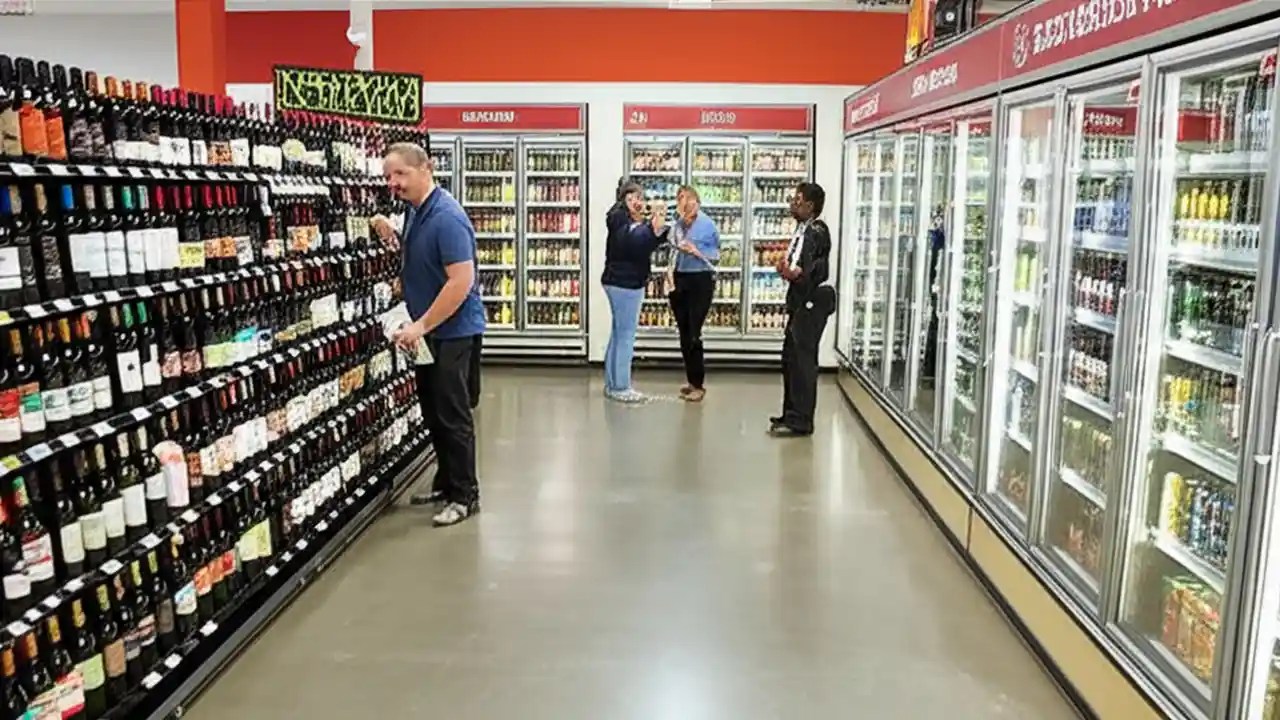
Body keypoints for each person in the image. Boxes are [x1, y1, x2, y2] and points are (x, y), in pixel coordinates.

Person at [371, 142, 485, 526]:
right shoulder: (416, 211)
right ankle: (445, 481)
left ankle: (466, 495)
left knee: (452, 414)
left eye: (400, 174)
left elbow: (461, 280)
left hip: (450, 332)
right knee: (433, 411)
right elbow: (425, 257)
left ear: (426, 169)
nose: (393, 183)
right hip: (427, 330)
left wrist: (421, 325)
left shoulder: (447, 217)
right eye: (388, 176)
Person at [770, 182, 835, 437]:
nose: (793, 204)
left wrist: (795, 274)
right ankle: (791, 413)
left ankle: (801, 419)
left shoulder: (817, 231)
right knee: (791, 358)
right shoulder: (803, 229)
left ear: (810, 205)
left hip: (813, 301)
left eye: (798, 200)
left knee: (803, 360)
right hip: (801, 300)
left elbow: (816, 271)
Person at [601, 182, 668, 402]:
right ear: (623, 201)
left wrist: (656, 231)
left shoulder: (621, 218)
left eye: (639, 197)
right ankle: (621, 387)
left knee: (618, 334)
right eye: (631, 199)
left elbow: (643, 241)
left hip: (618, 281)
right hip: (625, 284)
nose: (637, 202)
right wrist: (653, 228)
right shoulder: (622, 221)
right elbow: (635, 242)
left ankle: (612, 384)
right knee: (626, 336)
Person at [668, 186, 719, 402]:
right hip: (680, 278)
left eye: (688, 200)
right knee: (683, 331)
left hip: (700, 279)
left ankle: (699, 384)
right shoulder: (678, 224)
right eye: (680, 200)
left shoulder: (707, 225)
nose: (684, 204)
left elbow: (716, 255)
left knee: (694, 332)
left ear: (696, 202)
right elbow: (671, 246)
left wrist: (696, 251)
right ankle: (691, 380)